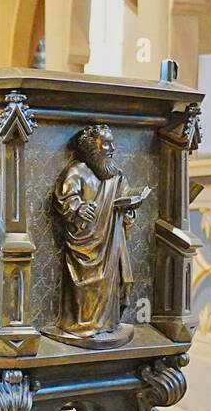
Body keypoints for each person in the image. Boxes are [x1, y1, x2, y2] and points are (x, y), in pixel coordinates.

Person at [47, 124, 149, 345]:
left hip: (111, 241)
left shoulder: (116, 176)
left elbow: (125, 201)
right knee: (88, 285)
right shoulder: (77, 172)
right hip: (86, 243)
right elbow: (64, 199)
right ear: (92, 147)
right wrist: (78, 207)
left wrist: (130, 207)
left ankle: (108, 324)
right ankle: (81, 326)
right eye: (106, 143)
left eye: (113, 142)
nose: (112, 148)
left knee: (113, 283)